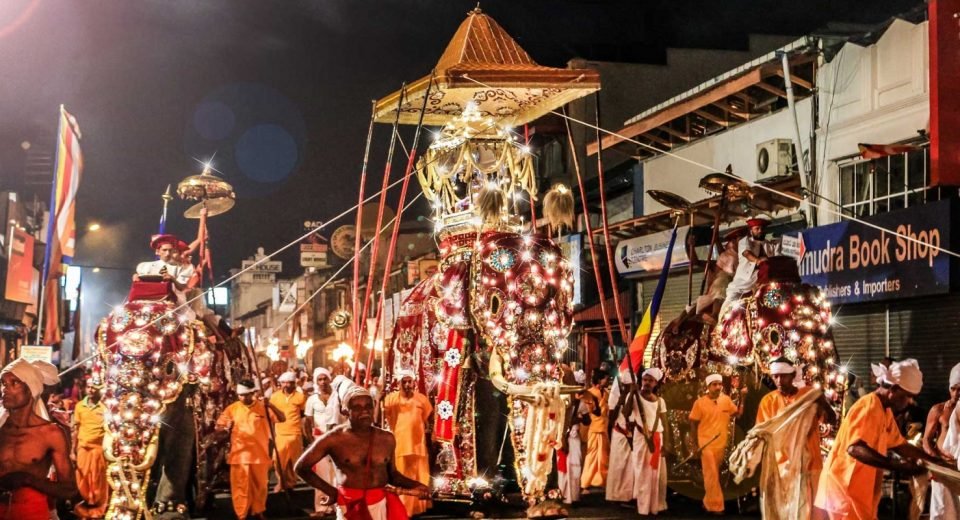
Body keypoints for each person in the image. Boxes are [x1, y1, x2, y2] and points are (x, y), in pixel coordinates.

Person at [815, 359, 946, 519]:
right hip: (843, 491)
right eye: (908, 396)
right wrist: (897, 466)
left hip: (859, 491)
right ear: (894, 389)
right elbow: (855, 448)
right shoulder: (868, 406)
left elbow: (900, 445)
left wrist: (931, 460)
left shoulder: (884, 411)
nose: (910, 402)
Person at [295, 385, 430, 520]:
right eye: (357, 408)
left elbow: (392, 475)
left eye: (368, 407)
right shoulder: (333, 438)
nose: (364, 412)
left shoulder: (387, 438)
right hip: (349, 505)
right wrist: (331, 491)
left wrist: (417, 485)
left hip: (380, 504)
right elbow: (301, 467)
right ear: (345, 411)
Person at [754, 357, 836, 519]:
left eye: (783, 375)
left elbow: (831, 419)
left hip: (810, 463)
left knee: (813, 512)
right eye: (775, 376)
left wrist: (822, 402)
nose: (778, 380)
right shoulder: (768, 401)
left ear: (792, 375)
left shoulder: (808, 396)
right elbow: (761, 432)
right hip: (782, 467)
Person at [0, 359, 77, 519]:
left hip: (31, 512)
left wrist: (27, 479)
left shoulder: (51, 434)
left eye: (14, 383)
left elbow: (69, 489)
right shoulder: (1, 429)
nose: (4, 389)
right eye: (3, 383)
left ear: (31, 390)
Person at [214, 380, 285, 520]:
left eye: (246, 395)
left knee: (261, 487)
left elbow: (282, 418)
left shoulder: (264, 407)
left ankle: (258, 511)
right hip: (239, 456)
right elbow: (218, 427)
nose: (243, 398)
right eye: (240, 395)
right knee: (241, 487)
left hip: (260, 455)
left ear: (253, 393)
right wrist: (226, 427)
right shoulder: (232, 408)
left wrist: (270, 404)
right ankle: (242, 514)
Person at [689, 373, 746, 514]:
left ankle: (707, 501)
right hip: (705, 443)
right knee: (712, 474)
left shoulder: (726, 400)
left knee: (712, 475)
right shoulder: (699, 403)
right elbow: (692, 423)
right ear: (708, 387)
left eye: (719, 384)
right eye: (714, 384)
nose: (718, 387)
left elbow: (738, 414)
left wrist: (743, 398)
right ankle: (716, 506)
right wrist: (695, 445)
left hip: (720, 444)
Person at [382, 369, 433, 516]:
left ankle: (418, 508)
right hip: (399, 444)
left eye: (409, 381)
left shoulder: (421, 399)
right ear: (398, 383)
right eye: (403, 382)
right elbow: (380, 415)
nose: (407, 384)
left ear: (414, 382)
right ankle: (403, 509)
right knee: (402, 477)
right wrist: (379, 399)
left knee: (418, 477)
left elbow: (428, 418)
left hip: (418, 445)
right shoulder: (391, 399)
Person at [628, 367, 668, 516]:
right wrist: (632, 393)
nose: (647, 383)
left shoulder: (660, 401)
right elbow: (626, 413)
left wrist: (667, 444)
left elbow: (664, 423)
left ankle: (654, 505)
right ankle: (643, 507)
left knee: (655, 475)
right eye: (645, 380)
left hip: (657, 439)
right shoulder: (634, 397)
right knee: (642, 472)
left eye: (650, 381)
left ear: (655, 383)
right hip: (640, 439)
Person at [922, 363, 960, 519]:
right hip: (943, 470)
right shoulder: (938, 410)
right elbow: (926, 439)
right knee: (942, 511)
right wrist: (934, 459)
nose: (956, 393)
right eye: (953, 388)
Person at [723, 217, 780, 309]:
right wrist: (758, 261)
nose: (760, 231)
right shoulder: (745, 241)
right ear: (751, 231)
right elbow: (747, 253)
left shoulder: (770, 245)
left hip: (763, 280)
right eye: (757, 229)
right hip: (744, 280)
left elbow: (778, 259)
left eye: (762, 228)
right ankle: (721, 320)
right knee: (730, 302)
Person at [71, 384, 108, 519]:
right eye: (89, 387)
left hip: (98, 449)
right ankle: (85, 505)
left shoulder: (105, 407)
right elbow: (75, 429)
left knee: (98, 479)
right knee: (82, 478)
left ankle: (98, 508)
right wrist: (72, 451)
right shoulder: (80, 406)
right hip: (82, 448)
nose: (91, 390)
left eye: (95, 388)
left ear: (100, 390)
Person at [304, 367, 336, 518]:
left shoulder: (337, 396)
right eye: (320, 379)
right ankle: (322, 507)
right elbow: (307, 421)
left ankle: (338, 506)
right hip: (319, 439)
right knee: (322, 475)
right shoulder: (312, 399)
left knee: (337, 474)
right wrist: (311, 441)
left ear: (330, 379)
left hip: (337, 439)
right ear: (316, 381)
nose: (323, 382)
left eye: (325, 379)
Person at [270, 370, 306, 492]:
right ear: (280, 383)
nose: (287, 385)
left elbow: (303, 415)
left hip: (295, 433)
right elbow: (270, 415)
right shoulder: (274, 397)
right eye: (284, 382)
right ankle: (281, 481)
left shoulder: (300, 397)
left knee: (292, 461)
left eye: (290, 383)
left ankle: (290, 483)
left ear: (294, 384)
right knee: (278, 459)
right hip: (280, 433)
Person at [605, 370, 637, 503]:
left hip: (633, 434)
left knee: (631, 466)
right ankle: (616, 495)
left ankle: (629, 495)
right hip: (619, 433)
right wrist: (619, 402)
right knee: (619, 465)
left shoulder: (636, 395)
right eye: (626, 385)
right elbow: (611, 418)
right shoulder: (616, 397)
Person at [580, 368, 610, 491]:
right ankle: (585, 483)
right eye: (605, 379)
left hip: (604, 427)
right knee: (591, 456)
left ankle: (602, 481)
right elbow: (592, 412)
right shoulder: (589, 393)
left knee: (604, 456)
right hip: (594, 427)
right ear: (599, 379)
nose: (607, 381)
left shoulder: (606, 393)